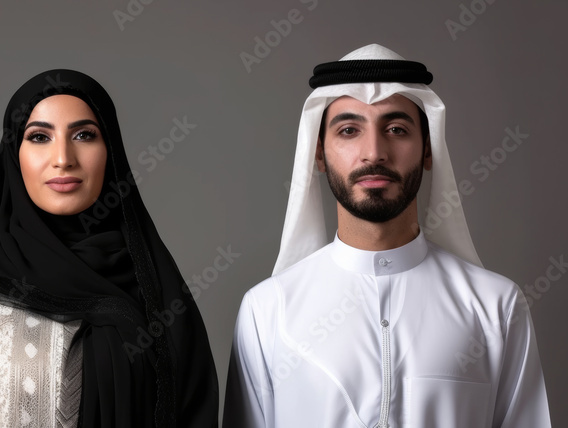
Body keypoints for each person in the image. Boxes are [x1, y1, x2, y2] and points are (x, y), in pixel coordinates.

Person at [222, 44, 551, 428]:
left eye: (396, 129)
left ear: (428, 150)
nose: (374, 153)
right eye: (349, 131)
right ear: (319, 154)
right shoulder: (267, 313)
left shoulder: (496, 307)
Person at [0, 69, 218, 427]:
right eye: (39, 137)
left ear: (110, 151)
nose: (63, 157)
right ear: (13, 156)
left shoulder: (158, 293)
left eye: (84, 135)